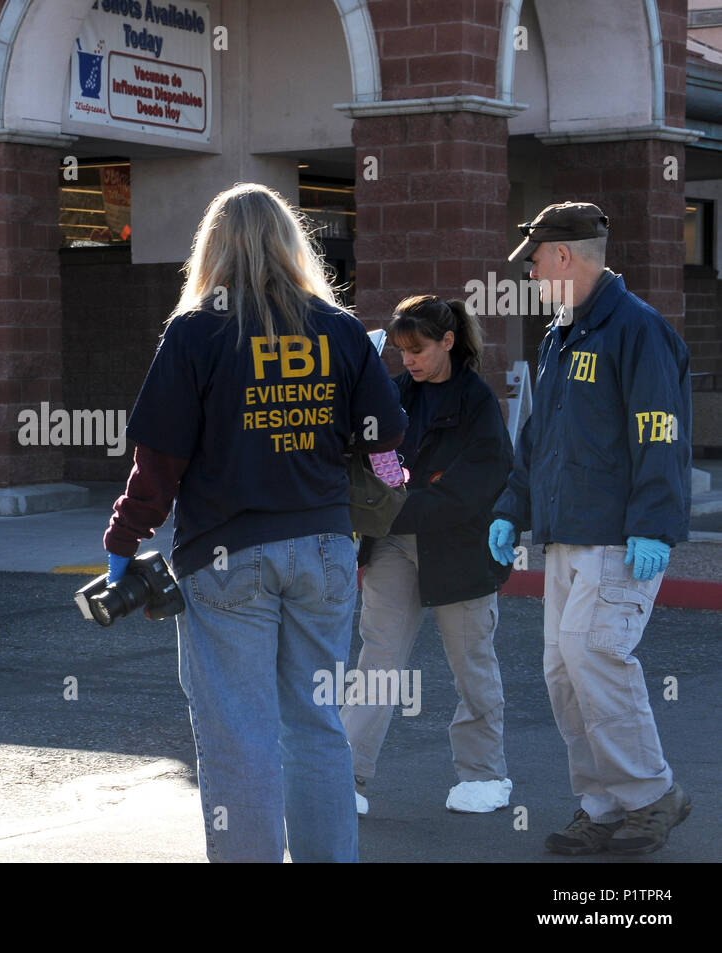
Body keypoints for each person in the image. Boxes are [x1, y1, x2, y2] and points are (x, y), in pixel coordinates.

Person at [103, 183, 407, 862]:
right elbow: (385, 439)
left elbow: (159, 461)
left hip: (226, 554)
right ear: (291, 243)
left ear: (212, 248)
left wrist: (125, 539)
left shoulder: (196, 332)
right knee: (318, 727)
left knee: (240, 736)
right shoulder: (338, 328)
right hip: (327, 550)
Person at [491, 201, 692, 855]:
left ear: (564, 257)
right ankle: (603, 804)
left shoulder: (637, 330)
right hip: (568, 534)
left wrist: (654, 523)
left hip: (617, 536)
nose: (532, 276)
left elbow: (659, 430)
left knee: (592, 655)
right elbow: (538, 439)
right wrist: (509, 508)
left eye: (537, 263)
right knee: (562, 671)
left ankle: (650, 794)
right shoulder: (561, 335)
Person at [342, 296, 513, 817]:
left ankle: (485, 775)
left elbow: (475, 487)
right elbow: (367, 452)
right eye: (400, 350)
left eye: (418, 349)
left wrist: (393, 510)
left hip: (457, 549)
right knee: (378, 660)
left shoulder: (479, 402)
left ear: (448, 341)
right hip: (397, 540)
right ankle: (346, 777)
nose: (408, 360)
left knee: (471, 665)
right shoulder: (395, 392)